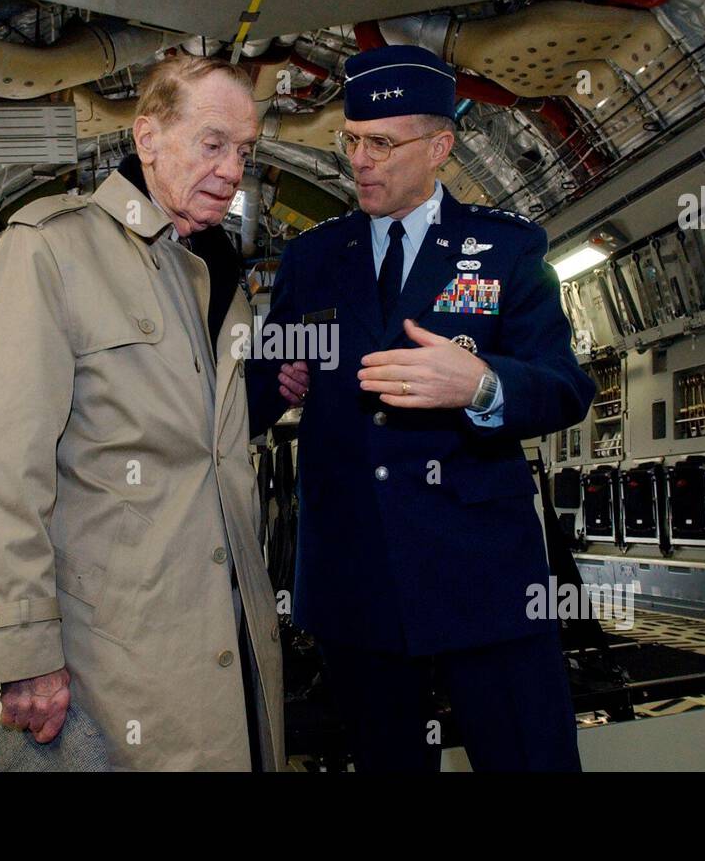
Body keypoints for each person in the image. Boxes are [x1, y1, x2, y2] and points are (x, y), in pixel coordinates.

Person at [248, 44, 594, 771]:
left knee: (530, 758)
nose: (360, 161)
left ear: (440, 146)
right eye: (350, 141)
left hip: (482, 573)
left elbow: (563, 386)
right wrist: (273, 380)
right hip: (354, 575)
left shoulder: (503, 251)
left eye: (382, 143)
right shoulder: (314, 259)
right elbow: (256, 390)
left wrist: (480, 386)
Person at [0, 53, 283, 771]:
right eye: (213, 144)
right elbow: (3, 468)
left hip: (230, 643)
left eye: (245, 151)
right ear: (147, 137)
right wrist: (23, 649)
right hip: (109, 661)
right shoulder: (52, 248)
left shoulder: (221, 278)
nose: (234, 170)